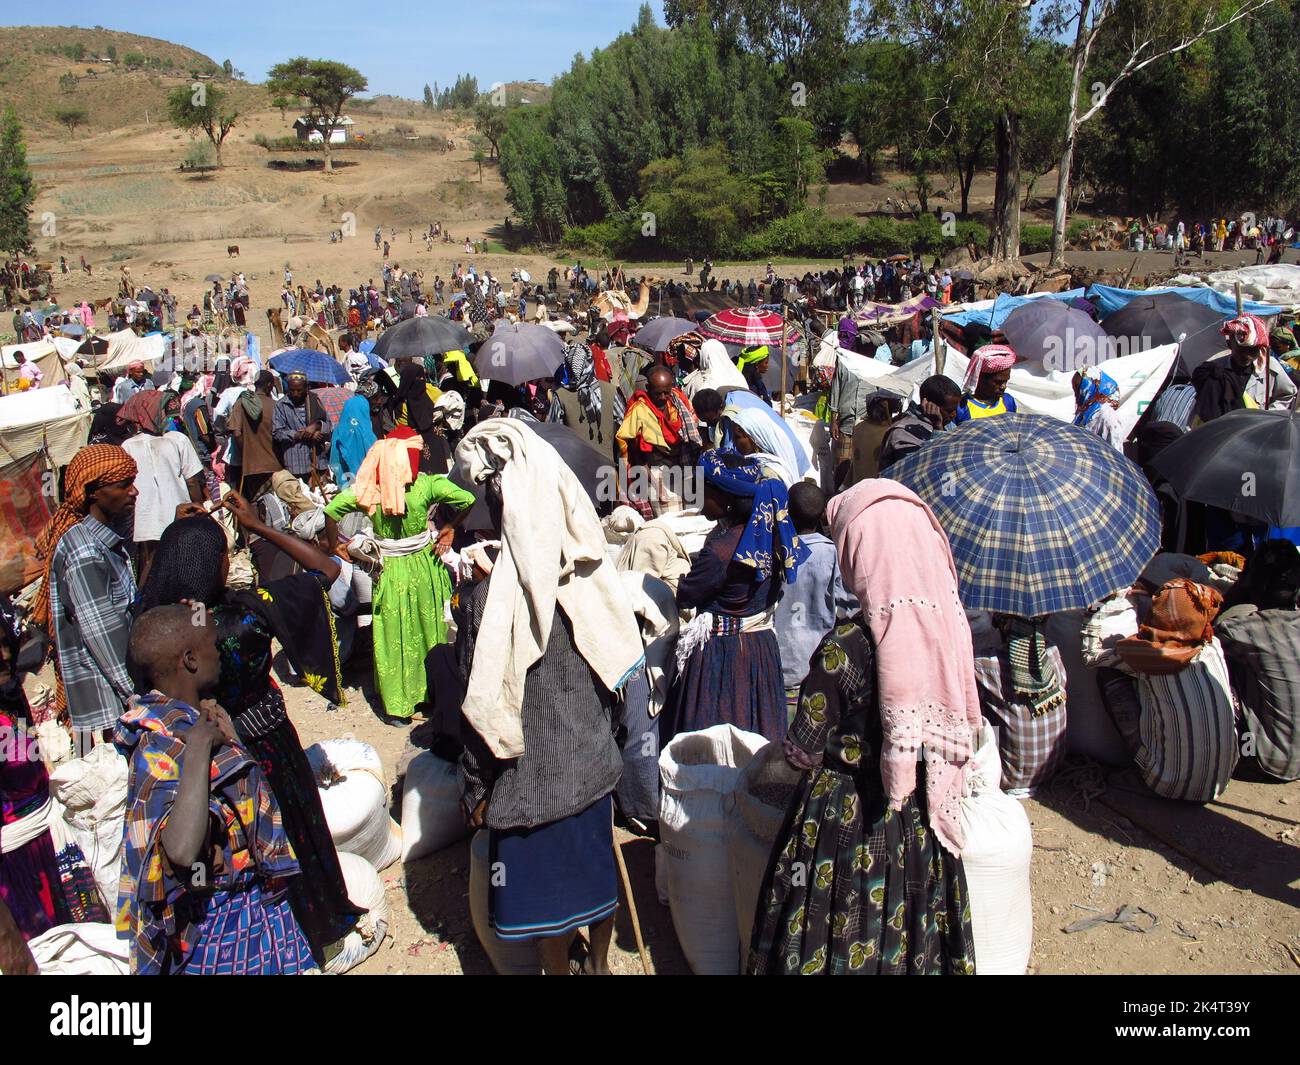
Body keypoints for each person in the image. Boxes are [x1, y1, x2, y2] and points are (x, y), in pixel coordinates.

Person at [747, 478, 980, 975]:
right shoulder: (948, 631)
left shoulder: (844, 648)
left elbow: (804, 745)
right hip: (916, 815)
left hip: (844, 820)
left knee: (830, 923)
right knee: (910, 922)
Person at [453, 419, 644, 974]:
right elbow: (615, 674)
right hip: (589, 761)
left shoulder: (485, 601)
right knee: (594, 873)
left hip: (527, 778)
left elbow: (480, 703)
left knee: (547, 901)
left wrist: (475, 786)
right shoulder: (588, 571)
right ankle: (601, 965)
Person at [136, 503, 362, 965]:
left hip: (203, 766)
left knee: (244, 860)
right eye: (222, 555)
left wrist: (182, 536)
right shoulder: (244, 619)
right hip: (268, 748)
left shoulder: (156, 633)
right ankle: (324, 933)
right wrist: (258, 526)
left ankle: (269, 943)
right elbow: (331, 572)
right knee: (293, 837)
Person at [116, 605, 316, 975]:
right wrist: (199, 748)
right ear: (190, 660)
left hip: (251, 910)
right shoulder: (167, 744)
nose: (220, 651)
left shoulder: (183, 719)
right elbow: (180, 850)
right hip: (220, 930)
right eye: (212, 643)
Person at [324, 429, 475, 723]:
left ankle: (398, 706)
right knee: (430, 628)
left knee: (395, 631)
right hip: (425, 568)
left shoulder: (369, 489)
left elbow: (330, 512)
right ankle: (435, 695)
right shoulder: (426, 485)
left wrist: (335, 546)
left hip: (390, 571)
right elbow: (467, 499)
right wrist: (451, 526)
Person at [670, 450, 808, 744]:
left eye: (704, 489)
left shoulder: (720, 552)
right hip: (760, 651)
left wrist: (679, 580)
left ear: (726, 496)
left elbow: (686, 596)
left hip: (724, 658)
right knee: (755, 730)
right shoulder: (771, 535)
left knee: (716, 739)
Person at [35, 445, 140, 743]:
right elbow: (101, 634)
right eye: (124, 485)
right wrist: (135, 694)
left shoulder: (100, 537)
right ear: (93, 492)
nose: (134, 492)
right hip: (108, 695)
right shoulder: (85, 552)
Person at [774, 483, 856, 725]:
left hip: (781, 661)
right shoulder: (832, 555)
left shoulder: (777, 552)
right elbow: (847, 609)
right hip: (819, 665)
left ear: (786, 514)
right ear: (822, 516)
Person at [119, 390, 205, 571]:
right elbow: (192, 482)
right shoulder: (177, 440)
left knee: (152, 564)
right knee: (184, 564)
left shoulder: (127, 446)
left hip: (145, 520)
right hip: (180, 515)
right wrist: (199, 508)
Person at [616, 365, 702, 518]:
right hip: (656, 474)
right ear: (648, 388)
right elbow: (636, 455)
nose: (663, 397)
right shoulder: (640, 411)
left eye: (666, 392)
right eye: (658, 394)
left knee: (689, 518)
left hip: (682, 468)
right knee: (671, 522)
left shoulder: (678, 402)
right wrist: (658, 486)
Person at [1192, 313, 1297, 423]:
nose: (1247, 357)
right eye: (1242, 351)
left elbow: (1287, 394)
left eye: (1252, 351)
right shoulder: (1215, 370)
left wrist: (1269, 416)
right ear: (1229, 344)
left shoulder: (1270, 367)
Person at [879, 374, 962, 470]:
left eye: (955, 409)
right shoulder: (902, 432)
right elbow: (920, 470)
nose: (954, 414)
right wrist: (938, 428)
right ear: (928, 405)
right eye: (949, 410)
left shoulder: (950, 426)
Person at [227, 370, 280, 500]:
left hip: (250, 466)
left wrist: (246, 452)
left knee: (255, 502)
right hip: (274, 464)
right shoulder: (276, 406)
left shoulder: (241, 403)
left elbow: (236, 432)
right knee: (274, 506)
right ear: (269, 386)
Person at [273, 372, 332, 483]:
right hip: (296, 463)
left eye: (299, 390)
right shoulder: (281, 405)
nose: (295, 394)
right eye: (292, 390)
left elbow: (329, 426)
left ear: (306, 388)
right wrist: (301, 434)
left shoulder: (315, 401)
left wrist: (317, 426)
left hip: (318, 460)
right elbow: (277, 432)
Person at [956, 343, 1019, 422]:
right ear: (980, 378)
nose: (1003, 386)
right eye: (998, 382)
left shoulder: (1007, 402)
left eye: (1006, 381)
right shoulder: (962, 407)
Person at [1072, 366, 1124, 449]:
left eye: (1079, 389)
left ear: (1091, 388)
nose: (1076, 394)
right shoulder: (1083, 413)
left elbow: (1116, 455)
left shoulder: (1107, 418)